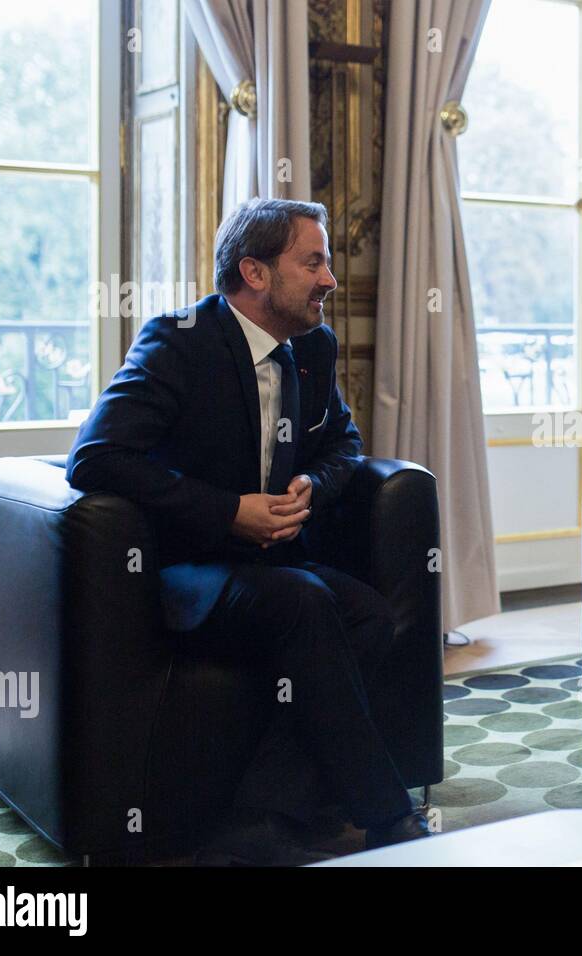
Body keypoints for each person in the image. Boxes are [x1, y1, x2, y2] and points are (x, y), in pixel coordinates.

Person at [67, 198, 430, 865]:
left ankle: (265, 812)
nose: (329, 279)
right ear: (255, 273)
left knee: (373, 618)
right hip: (187, 567)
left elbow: (343, 443)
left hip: (276, 565)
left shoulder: (313, 347)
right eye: (313, 261)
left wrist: (309, 488)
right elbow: (95, 457)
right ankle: (389, 816)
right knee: (305, 603)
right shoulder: (178, 340)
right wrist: (228, 510)